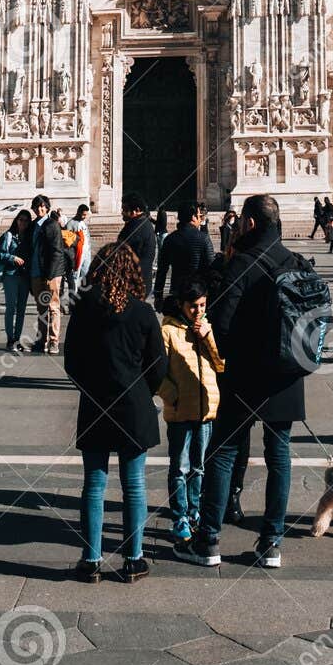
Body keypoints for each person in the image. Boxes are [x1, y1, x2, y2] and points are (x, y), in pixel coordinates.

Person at [177, 195, 306, 571]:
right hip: (285, 376)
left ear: (249, 224)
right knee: (279, 456)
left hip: (247, 376)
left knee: (225, 452)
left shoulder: (242, 264)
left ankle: (209, 540)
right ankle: (271, 543)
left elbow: (224, 323)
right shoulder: (294, 261)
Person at [64, 243, 167, 583]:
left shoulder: (83, 309)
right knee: (134, 486)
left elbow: (72, 362)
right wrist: (141, 392)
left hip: (95, 405)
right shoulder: (142, 312)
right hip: (133, 407)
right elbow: (158, 366)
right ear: (133, 272)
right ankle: (133, 560)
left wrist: (91, 388)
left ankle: (91, 559)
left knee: (94, 485)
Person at [158, 280, 225, 545]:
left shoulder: (207, 328)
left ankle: (195, 512)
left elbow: (221, 364)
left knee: (199, 467)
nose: (198, 311)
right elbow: (156, 371)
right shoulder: (168, 330)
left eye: (202, 305)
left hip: (206, 409)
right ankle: (180, 517)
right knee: (180, 467)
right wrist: (172, 395)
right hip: (180, 411)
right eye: (193, 306)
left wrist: (207, 336)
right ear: (181, 305)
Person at [154, 199, 215, 305]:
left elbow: (162, 269)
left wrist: (158, 295)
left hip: (177, 291)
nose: (200, 219)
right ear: (193, 217)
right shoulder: (204, 238)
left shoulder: (170, 239)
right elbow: (211, 267)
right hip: (197, 293)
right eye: (199, 215)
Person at [29, 193, 65, 355]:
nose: (40, 208)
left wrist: (49, 275)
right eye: (37, 206)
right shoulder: (33, 225)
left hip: (51, 274)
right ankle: (41, 340)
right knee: (41, 308)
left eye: (43, 205)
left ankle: (53, 341)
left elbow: (57, 252)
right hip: (36, 272)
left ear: (47, 207)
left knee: (53, 307)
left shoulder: (52, 225)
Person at [0, 210, 32, 349]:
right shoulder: (9, 235)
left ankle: (17, 338)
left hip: (25, 276)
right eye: (20, 219)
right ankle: (10, 339)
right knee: (11, 308)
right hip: (11, 275)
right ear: (16, 220)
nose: (23, 222)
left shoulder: (30, 237)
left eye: (26, 220)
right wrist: (13, 258)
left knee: (21, 309)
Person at [117, 193, 157, 296]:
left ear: (136, 210)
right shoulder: (143, 223)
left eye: (125, 209)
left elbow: (122, 254)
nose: (122, 212)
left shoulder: (135, 229)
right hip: (141, 281)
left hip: (134, 284)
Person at [69, 203, 92, 293]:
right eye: (83, 214)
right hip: (77, 254)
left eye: (86, 215)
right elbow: (68, 240)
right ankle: (73, 295)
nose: (84, 217)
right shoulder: (71, 223)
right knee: (75, 275)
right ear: (78, 212)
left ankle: (84, 294)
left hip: (86, 253)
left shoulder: (83, 223)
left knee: (86, 274)